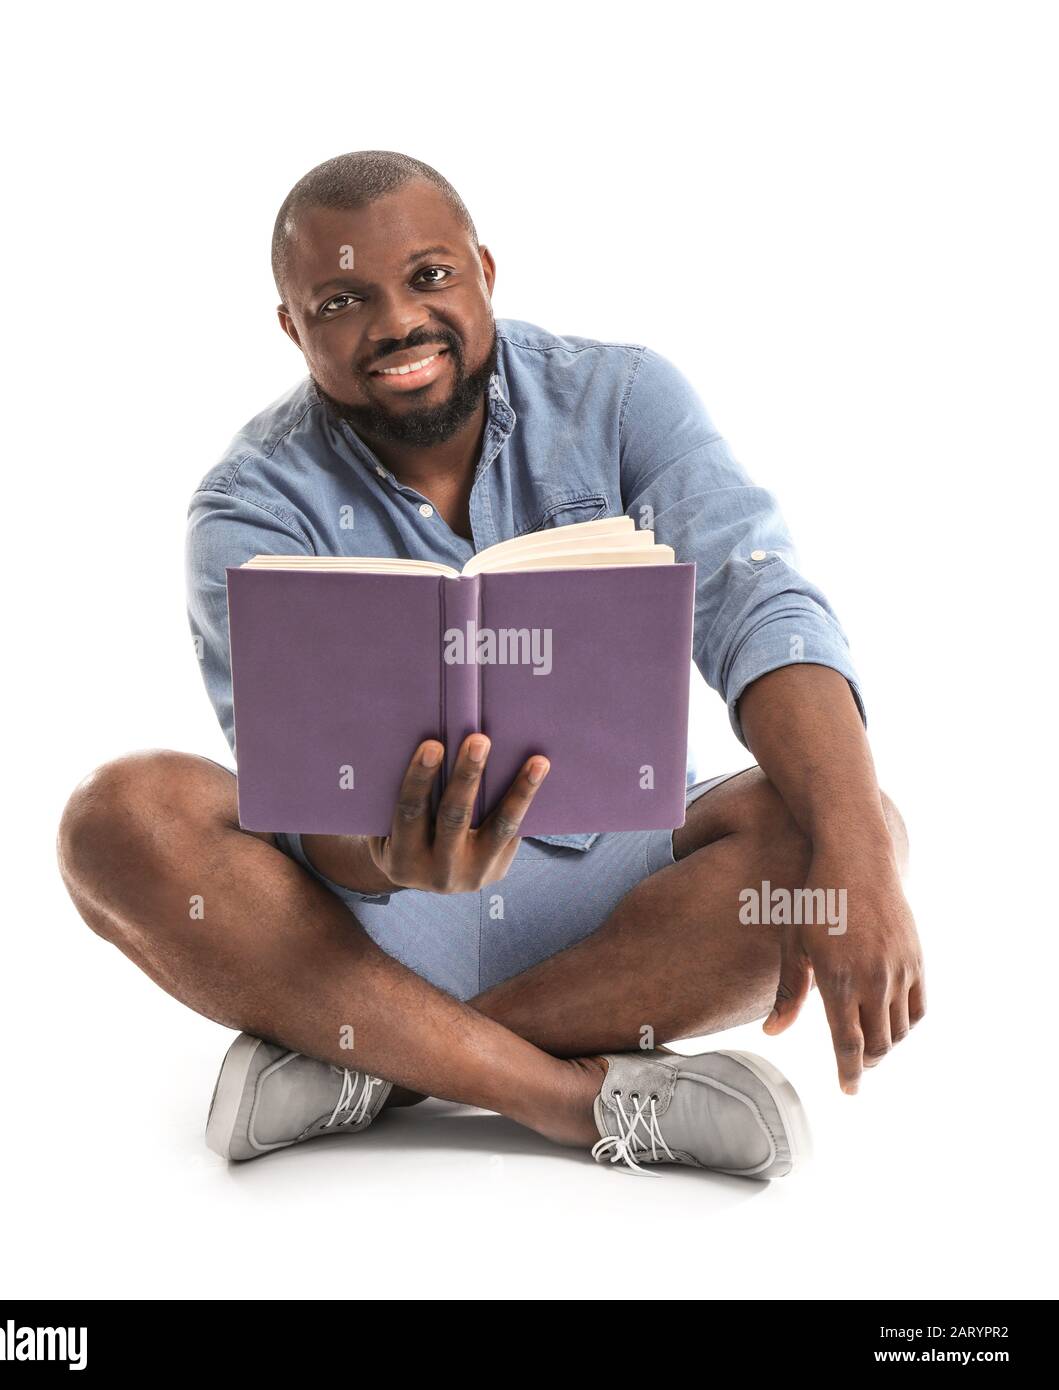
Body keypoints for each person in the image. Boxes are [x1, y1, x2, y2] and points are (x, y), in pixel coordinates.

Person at [57, 151, 923, 1178]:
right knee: (115, 819)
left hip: (621, 890)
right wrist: (380, 857)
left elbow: (762, 604)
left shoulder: (622, 398)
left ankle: (381, 1064)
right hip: (363, 919)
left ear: (484, 272)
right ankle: (565, 1098)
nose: (395, 323)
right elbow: (296, 799)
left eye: (428, 277)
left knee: (829, 834)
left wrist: (861, 850)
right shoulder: (247, 504)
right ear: (294, 328)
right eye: (342, 298)